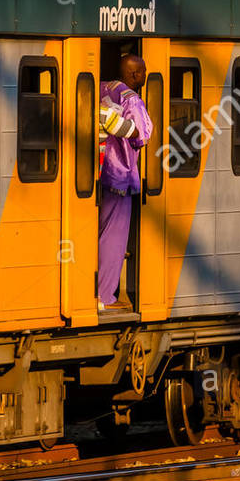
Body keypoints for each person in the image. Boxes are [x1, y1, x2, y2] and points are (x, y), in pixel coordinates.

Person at [98, 54, 153, 310]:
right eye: (142, 72)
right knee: (113, 239)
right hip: (120, 176)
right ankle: (105, 297)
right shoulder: (133, 99)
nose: (144, 76)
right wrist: (120, 126)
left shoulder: (103, 87)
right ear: (134, 75)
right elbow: (140, 136)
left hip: (100, 174)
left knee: (100, 234)